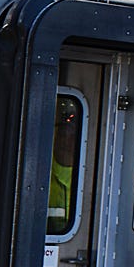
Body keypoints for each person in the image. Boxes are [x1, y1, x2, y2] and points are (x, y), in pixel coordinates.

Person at [48, 99, 81, 235]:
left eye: (72, 136)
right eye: (62, 134)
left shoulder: (89, 176)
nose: (67, 140)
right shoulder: (39, 161)